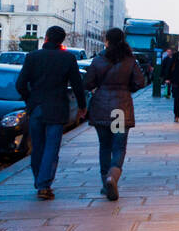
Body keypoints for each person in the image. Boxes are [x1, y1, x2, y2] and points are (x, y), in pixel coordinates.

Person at [15, 25, 87, 200]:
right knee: (51, 147)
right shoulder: (68, 58)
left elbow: (20, 84)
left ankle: (39, 179)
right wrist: (82, 106)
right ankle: (44, 184)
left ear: (46, 38)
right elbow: (77, 85)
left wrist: (30, 101)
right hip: (57, 107)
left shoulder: (32, 57)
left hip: (37, 107)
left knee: (37, 146)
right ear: (62, 41)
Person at [85, 27, 147, 201]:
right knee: (118, 146)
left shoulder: (98, 60)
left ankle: (106, 182)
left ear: (107, 41)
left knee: (104, 146)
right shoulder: (129, 60)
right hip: (119, 108)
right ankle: (114, 175)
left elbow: (88, 83)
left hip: (101, 108)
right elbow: (139, 82)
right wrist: (126, 89)